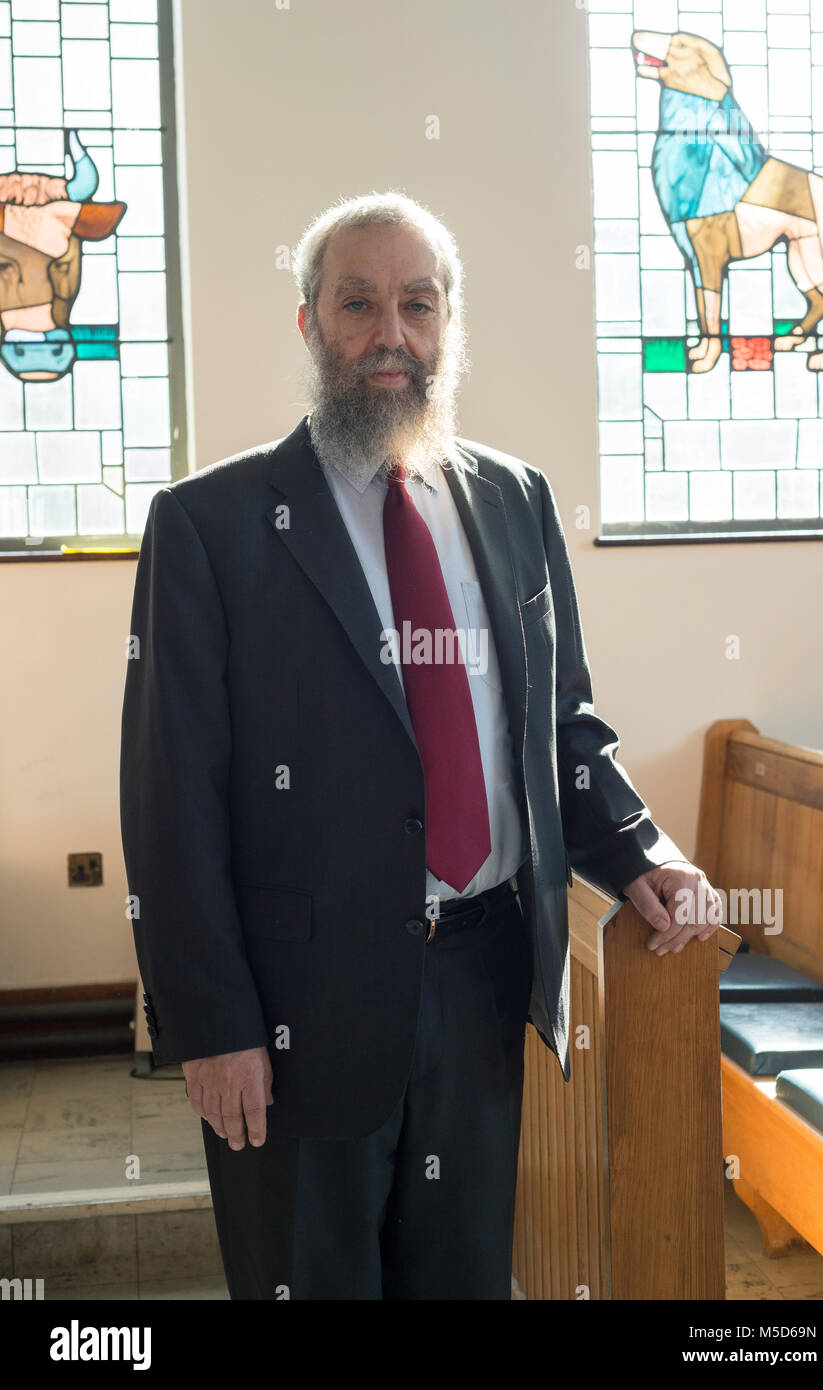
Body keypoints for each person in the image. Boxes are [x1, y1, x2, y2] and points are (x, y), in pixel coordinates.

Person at [119, 191, 721, 1301]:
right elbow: (170, 799)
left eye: (417, 304)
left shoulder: (515, 500)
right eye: (358, 304)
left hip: (484, 982)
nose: (389, 334)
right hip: (297, 1010)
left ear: (449, 326)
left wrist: (644, 851)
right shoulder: (210, 525)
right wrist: (213, 1025)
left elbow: (562, 722)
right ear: (309, 324)